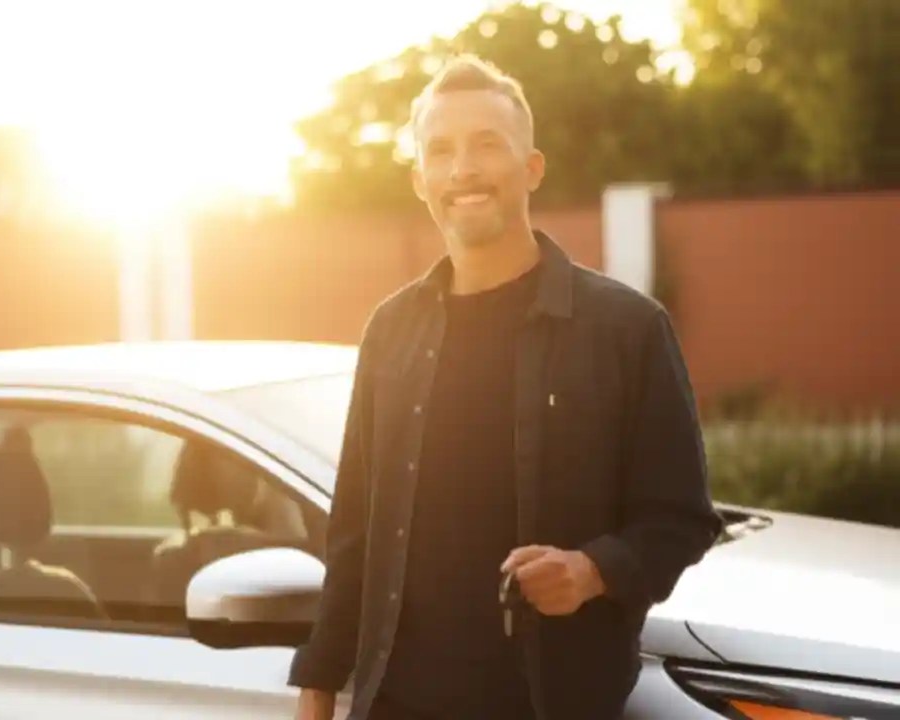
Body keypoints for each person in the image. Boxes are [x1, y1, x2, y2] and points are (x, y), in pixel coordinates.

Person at [288, 55, 723, 720]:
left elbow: (681, 518)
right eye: (441, 151)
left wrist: (590, 570)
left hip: (552, 704)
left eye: (487, 144)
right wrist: (318, 688)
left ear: (532, 168)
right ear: (420, 180)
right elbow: (354, 535)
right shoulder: (391, 330)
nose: (462, 168)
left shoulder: (626, 328)